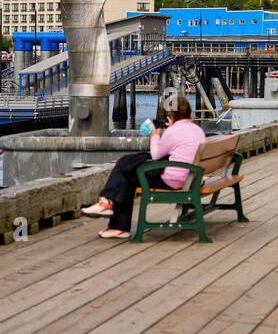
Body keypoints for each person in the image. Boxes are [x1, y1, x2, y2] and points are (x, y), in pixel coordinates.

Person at [82, 96, 206, 239]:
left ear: (170, 116)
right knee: (129, 165)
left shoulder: (174, 131)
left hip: (173, 180)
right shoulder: (197, 130)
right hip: (189, 178)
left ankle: (112, 215)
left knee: (126, 172)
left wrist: (154, 135)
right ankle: (110, 211)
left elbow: (156, 155)